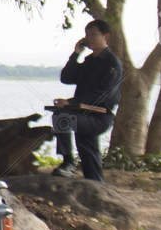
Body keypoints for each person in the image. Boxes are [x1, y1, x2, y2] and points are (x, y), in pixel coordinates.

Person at [50, 19, 125, 181]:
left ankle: (68, 163)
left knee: (62, 117)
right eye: (87, 35)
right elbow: (67, 77)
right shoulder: (89, 61)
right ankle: (96, 183)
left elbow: (102, 94)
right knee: (89, 154)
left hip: (99, 117)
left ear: (106, 37)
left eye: (93, 34)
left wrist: (71, 103)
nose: (89, 38)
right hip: (82, 113)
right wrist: (76, 54)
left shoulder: (112, 63)